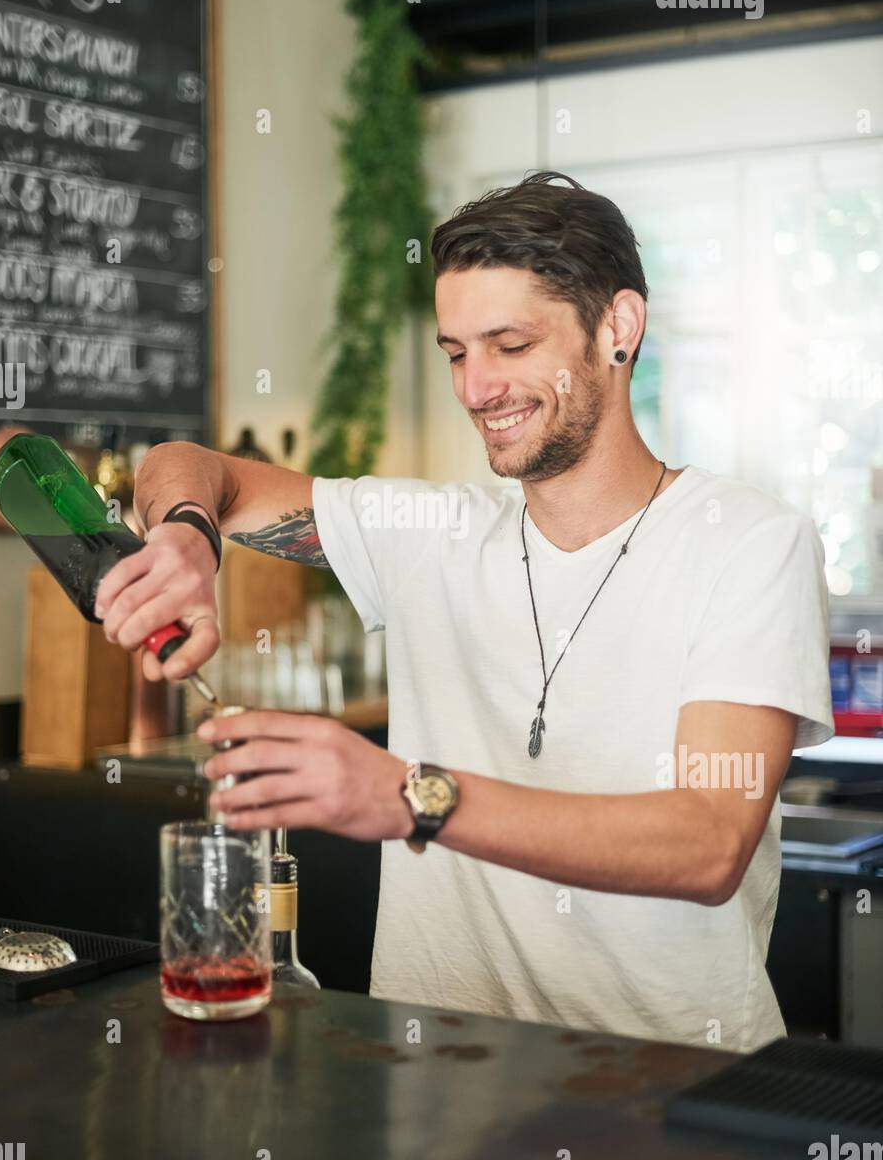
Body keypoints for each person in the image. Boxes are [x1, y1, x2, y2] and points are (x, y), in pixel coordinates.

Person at [97, 171, 833, 1051]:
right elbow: (187, 463)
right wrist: (187, 536)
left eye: (510, 345)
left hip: (670, 1100)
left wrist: (412, 797)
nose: (476, 388)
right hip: (443, 1096)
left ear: (618, 329)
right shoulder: (427, 533)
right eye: (454, 352)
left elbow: (708, 843)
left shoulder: (748, 543)